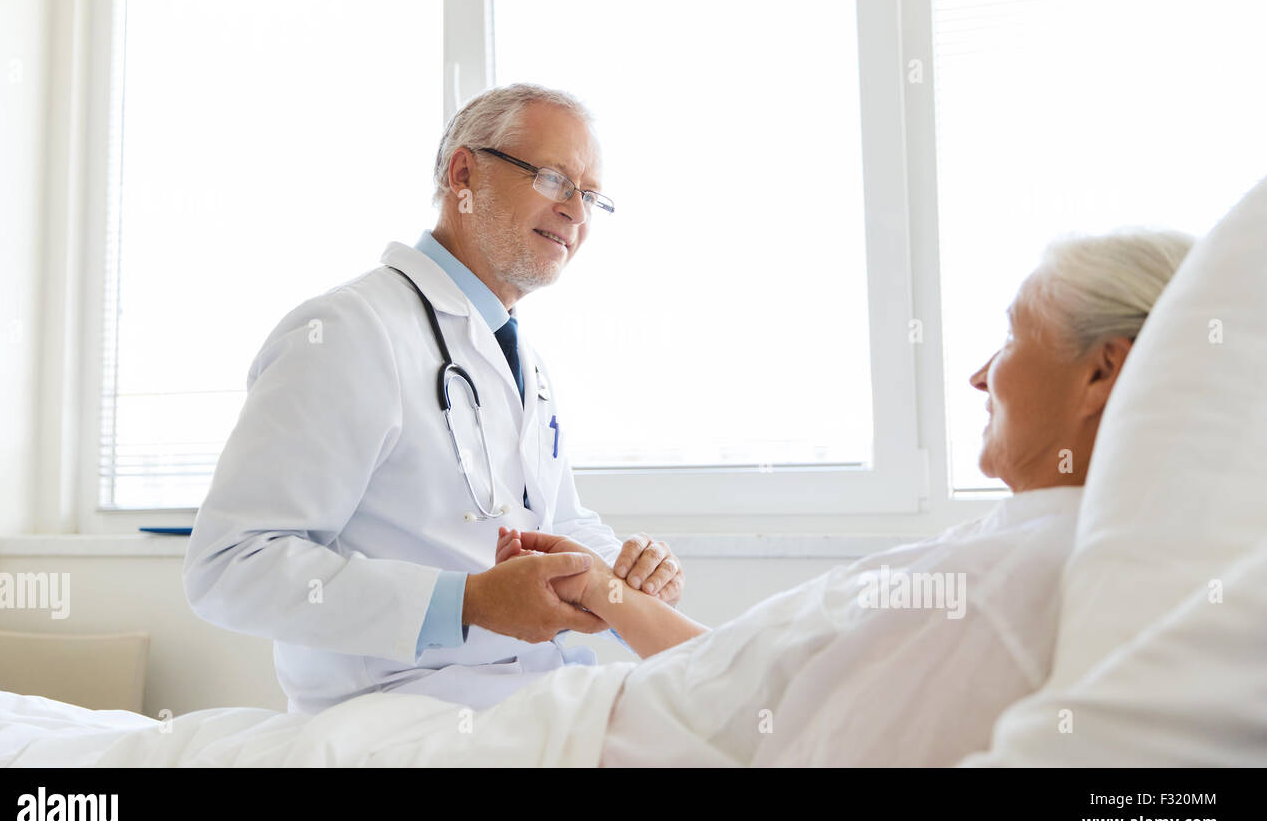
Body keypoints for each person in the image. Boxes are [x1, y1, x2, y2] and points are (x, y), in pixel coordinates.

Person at [498, 228, 1195, 766]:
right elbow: (755, 687)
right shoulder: (1027, 546)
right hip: (577, 720)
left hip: (572, 742)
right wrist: (603, 592)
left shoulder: (1002, 583)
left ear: (1103, 372)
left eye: (1013, 336)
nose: (981, 376)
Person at [183, 84, 685, 715]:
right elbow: (229, 567)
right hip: (402, 718)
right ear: (464, 173)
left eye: (590, 195)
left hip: (536, 700)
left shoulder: (519, 355)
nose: (576, 213)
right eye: (555, 179)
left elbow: (553, 521)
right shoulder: (351, 329)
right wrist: (468, 602)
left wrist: (627, 569)